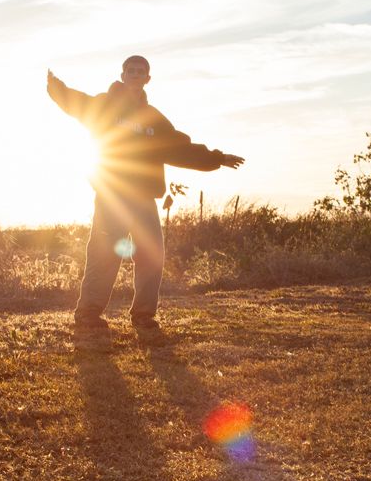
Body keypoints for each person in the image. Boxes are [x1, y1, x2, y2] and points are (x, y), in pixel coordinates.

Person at [47, 55, 243, 334]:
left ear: (147, 79)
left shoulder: (154, 119)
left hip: (144, 198)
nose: (136, 74)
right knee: (104, 254)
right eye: (131, 70)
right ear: (123, 75)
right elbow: (75, 102)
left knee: (153, 256)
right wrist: (54, 85)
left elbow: (179, 147)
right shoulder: (104, 105)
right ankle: (88, 314)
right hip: (112, 195)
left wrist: (216, 158)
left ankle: (143, 316)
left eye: (141, 71)